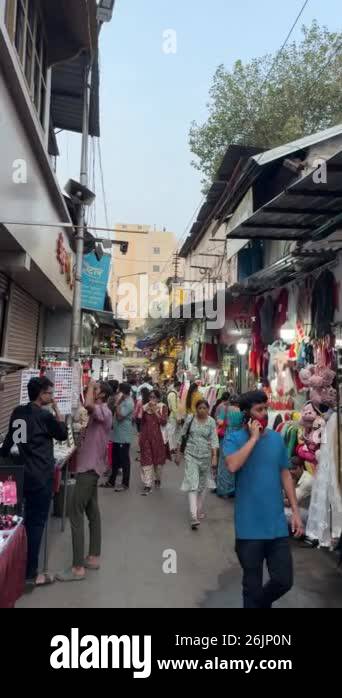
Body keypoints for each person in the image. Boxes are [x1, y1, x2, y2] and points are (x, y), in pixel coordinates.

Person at [224, 390, 304, 609]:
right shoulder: (233, 439)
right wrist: (253, 439)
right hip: (249, 528)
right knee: (252, 586)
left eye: (265, 408)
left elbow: (285, 474)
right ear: (246, 414)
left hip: (276, 525)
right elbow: (232, 465)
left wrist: (296, 512)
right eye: (259, 410)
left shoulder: (277, 439)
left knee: (283, 581)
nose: (264, 414)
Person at [0, 377, 67, 587]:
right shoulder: (45, 416)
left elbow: (8, 443)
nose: (52, 396)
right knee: (36, 523)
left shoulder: (18, 412)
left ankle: (11, 569)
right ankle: (31, 574)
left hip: (17, 476)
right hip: (39, 477)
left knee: (13, 520)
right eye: (50, 393)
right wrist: (58, 412)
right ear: (41, 394)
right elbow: (63, 434)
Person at [57, 380, 113, 582]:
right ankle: (93, 557)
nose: (92, 391)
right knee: (92, 510)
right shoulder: (100, 412)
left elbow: (88, 404)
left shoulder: (103, 411)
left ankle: (77, 568)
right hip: (90, 466)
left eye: (96, 390)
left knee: (75, 511)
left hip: (89, 468)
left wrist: (91, 385)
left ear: (102, 395)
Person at [176, 399, 219, 529]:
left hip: (205, 457)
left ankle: (198, 510)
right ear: (196, 409)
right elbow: (182, 435)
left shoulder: (211, 422)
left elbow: (214, 439)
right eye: (199, 408)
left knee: (201, 484)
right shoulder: (190, 419)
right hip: (191, 455)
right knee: (192, 484)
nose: (202, 410)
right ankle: (193, 516)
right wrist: (178, 453)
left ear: (208, 409)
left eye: (204, 408)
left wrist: (214, 457)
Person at [139, 389, 167, 495]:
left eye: (154, 397)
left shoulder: (162, 407)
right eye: (150, 397)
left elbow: (163, 422)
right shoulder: (145, 407)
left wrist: (155, 411)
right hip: (146, 437)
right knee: (146, 461)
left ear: (158, 398)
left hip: (158, 438)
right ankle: (147, 484)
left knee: (157, 462)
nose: (152, 399)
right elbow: (141, 422)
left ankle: (157, 478)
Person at [216, 394, 242, 498]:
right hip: (238, 438)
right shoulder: (241, 411)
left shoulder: (225, 409)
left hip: (227, 436)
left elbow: (220, 422)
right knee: (235, 463)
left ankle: (223, 490)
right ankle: (233, 489)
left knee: (224, 463)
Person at [110, 383, 134, 492]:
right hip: (117, 435)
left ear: (123, 392)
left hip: (123, 436)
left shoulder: (129, 402)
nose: (117, 393)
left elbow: (120, 417)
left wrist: (116, 404)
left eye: (119, 391)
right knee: (115, 459)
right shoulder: (123, 401)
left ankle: (125, 483)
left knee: (124, 460)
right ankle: (111, 480)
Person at [285, 459, 313, 529]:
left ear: (301, 468)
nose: (291, 471)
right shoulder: (295, 477)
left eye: (294, 468)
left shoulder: (307, 481)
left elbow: (290, 502)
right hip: (300, 509)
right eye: (290, 469)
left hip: (309, 515)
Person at [167, 380, 183, 454]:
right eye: (180, 387)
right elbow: (174, 407)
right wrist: (178, 418)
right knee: (173, 432)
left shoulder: (174, 393)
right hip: (174, 416)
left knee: (175, 432)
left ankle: (174, 447)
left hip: (175, 416)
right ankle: (171, 448)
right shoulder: (173, 394)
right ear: (178, 386)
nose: (181, 388)